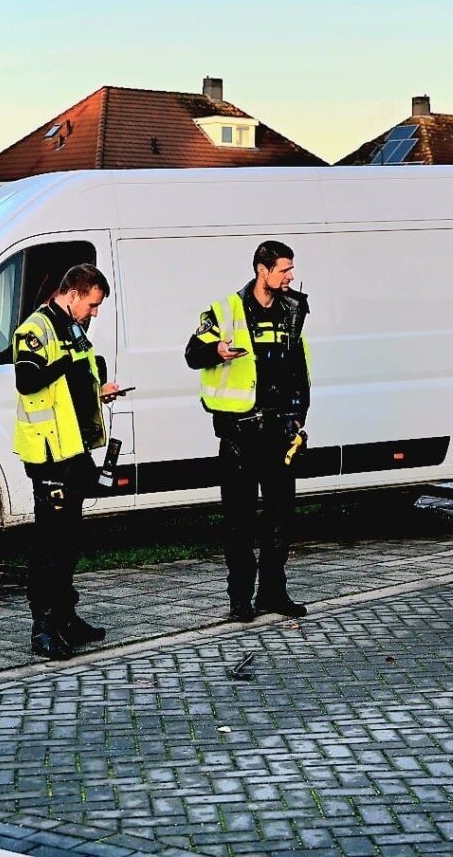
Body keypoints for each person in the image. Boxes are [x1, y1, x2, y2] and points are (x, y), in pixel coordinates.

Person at [184, 240, 312, 623]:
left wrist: (300, 415)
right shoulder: (225, 309)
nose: (290, 276)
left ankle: (273, 593)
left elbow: (298, 365)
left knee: (280, 519)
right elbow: (192, 353)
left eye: (291, 269)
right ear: (262, 270)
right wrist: (216, 351)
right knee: (238, 521)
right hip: (241, 434)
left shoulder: (293, 310)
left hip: (279, 431)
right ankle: (240, 599)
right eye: (284, 270)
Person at [13, 263, 122, 659]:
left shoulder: (73, 329)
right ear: (73, 293)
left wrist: (100, 391)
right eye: (91, 304)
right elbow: (28, 381)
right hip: (47, 454)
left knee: (69, 541)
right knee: (49, 544)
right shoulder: (36, 330)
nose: (94, 313)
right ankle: (42, 629)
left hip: (73, 449)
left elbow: (76, 383)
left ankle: (65, 617)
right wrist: (66, 360)